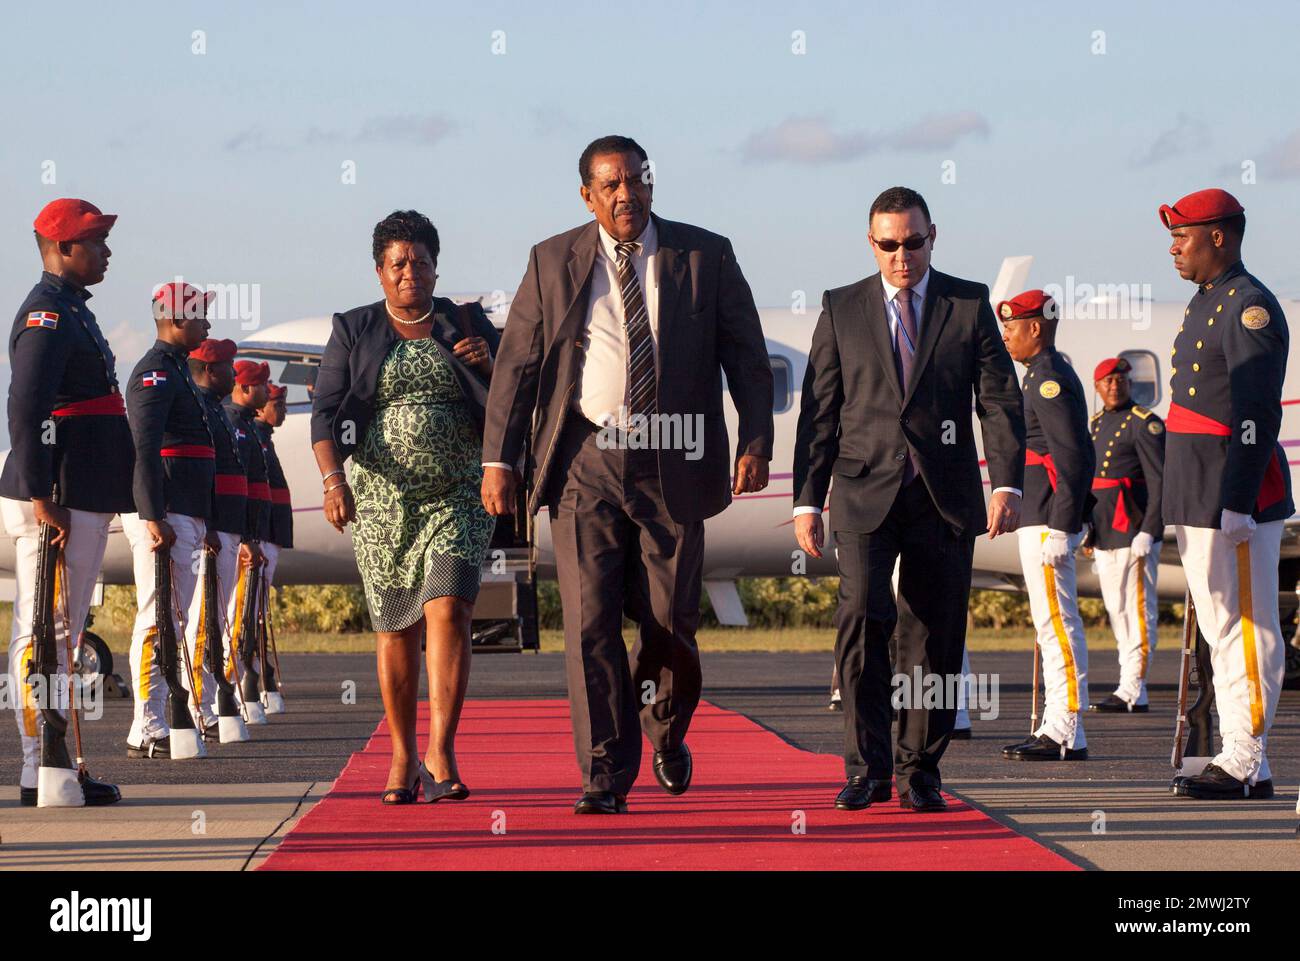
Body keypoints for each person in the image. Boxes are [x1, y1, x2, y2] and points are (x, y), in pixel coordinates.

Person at [482, 135, 774, 814]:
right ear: (587, 195)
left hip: (675, 457)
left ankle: (666, 729)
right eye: (610, 185)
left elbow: (747, 357)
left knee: (669, 621)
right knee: (589, 624)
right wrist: (500, 459)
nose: (626, 195)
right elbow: (517, 365)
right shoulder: (551, 260)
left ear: (651, 184)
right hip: (586, 460)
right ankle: (603, 770)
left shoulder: (705, 255)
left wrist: (754, 440)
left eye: (637, 181)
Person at [792, 186, 1024, 813]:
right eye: (889, 244)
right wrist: (807, 500)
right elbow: (820, 410)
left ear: (932, 236)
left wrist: (1005, 483)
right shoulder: (842, 308)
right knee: (864, 620)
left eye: (913, 242)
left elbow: (999, 399)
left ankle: (919, 769)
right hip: (864, 490)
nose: (901, 255)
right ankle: (864, 768)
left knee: (936, 636)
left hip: (943, 498)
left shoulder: (967, 303)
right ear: (872, 243)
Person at [312, 210, 499, 804]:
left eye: (421, 261)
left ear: (436, 267)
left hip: (458, 493)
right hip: (381, 500)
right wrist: (332, 482)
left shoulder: (468, 323)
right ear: (379, 271)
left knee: (449, 608)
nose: (410, 272)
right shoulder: (355, 328)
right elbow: (324, 412)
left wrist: (488, 365)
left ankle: (442, 748)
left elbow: (513, 401)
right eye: (399, 263)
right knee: (396, 628)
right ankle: (402, 755)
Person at [1157, 188, 1291, 799]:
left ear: (1218, 236)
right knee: (1219, 626)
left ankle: (1245, 754)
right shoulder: (1207, 302)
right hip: (1198, 488)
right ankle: (1242, 755)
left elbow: (1255, 412)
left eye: (1182, 236)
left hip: (1231, 492)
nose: (1173, 247)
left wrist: (1237, 497)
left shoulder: (1249, 307)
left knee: (1247, 623)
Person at [2, 198, 132, 806]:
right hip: (56, 492)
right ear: (63, 248)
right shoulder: (48, 314)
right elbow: (26, 408)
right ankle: (42, 765)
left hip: (75, 489)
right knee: (44, 628)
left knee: (63, 631)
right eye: (97, 243)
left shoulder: (72, 311)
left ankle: (56, 764)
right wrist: (40, 494)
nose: (107, 253)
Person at [997, 289, 1094, 761]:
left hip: (1047, 517)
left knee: (1058, 622)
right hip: (1039, 513)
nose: (1006, 338)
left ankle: (1066, 728)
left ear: (1035, 328)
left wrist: (1064, 524)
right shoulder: (1040, 375)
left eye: (1011, 329)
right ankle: (1055, 721)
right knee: (1048, 622)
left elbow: (1073, 455)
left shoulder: (1048, 379)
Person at [123, 281, 215, 760]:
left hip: (184, 510)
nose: (207, 324)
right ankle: (147, 724)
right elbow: (143, 448)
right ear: (177, 319)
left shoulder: (177, 372)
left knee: (173, 616)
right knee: (158, 617)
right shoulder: (155, 373)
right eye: (200, 315)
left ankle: (158, 717)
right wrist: (152, 514)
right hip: (165, 511)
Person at [183, 337, 258, 738]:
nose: (233, 373)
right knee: (204, 618)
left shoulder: (217, 413)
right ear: (211, 371)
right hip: (214, 527)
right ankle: (197, 705)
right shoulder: (212, 411)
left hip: (224, 526)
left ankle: (205, 700)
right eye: (228, 367)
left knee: (216, 616)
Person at [1084, 357, 1165, 713]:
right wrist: (1087, 528)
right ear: (1098, 388)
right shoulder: (1098, 424)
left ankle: (1133, 687)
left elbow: (1161, 481)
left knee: (1137, 610)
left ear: (1130, 383)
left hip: (1134, 529)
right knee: (1117, 609)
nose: (1114, 386)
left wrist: (1150, 529)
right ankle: (1129, 683)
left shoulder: (1144, 425)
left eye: (1120, 380)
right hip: (1105, 530)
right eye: (1107, 382)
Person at [224, 359, 272, 724]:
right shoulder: (232, 423)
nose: (268, 394)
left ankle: (230, 691)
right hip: (235, 536)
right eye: (261, 386)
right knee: (229, 618)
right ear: (244, 389)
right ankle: (219, 695)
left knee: (246, 616)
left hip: (249, 535)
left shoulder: (246, 429)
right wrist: (245, 538)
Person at [252, 382, 292, 712]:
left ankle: (259, 676)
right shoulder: (255, 437)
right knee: (249, 614)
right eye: (278, 404)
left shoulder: (264, 439)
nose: (284, 411)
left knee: (257, 612)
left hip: (269, 534)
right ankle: (251, 681)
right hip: (261, 535)